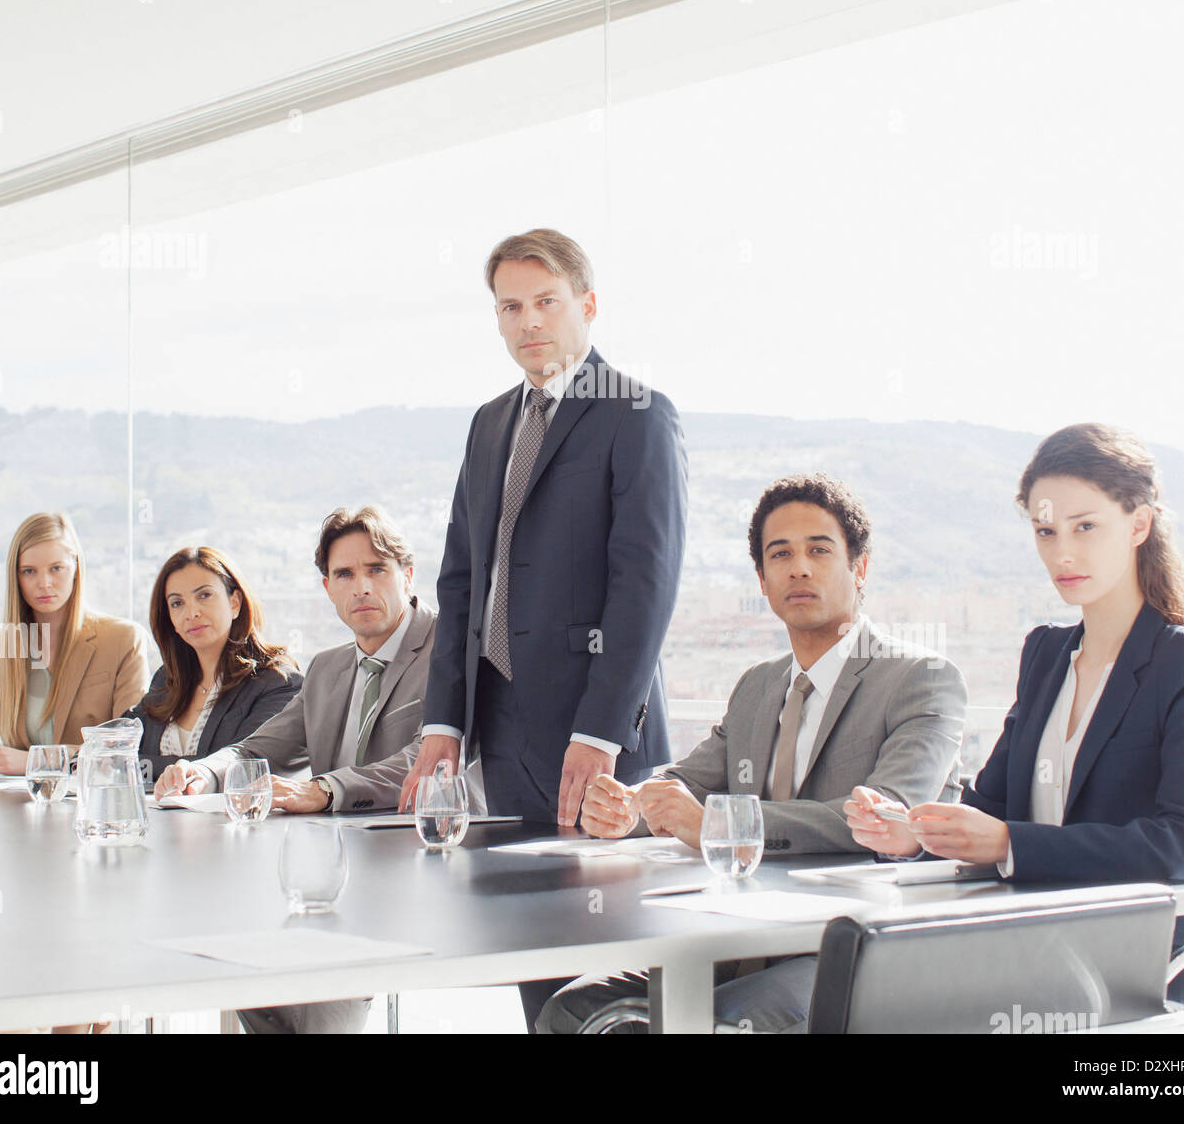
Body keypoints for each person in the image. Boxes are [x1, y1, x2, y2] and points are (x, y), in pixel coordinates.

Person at [536, 472, 967, 1033]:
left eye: (819, 550)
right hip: (741, 936)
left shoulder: (922, 678)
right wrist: (630, 805)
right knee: (573, 1009)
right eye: (780, 554)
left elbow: (885, 815)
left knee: (726, 1022)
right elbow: (689, 781)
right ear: (762, 581)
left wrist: (718, 825)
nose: (800, 568)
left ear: (860, 569)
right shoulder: (758, 687)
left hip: (854, 948)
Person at [846, 423, 1184, 1034]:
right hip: (1034, 954)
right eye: (1045, 532)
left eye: (1085, 527)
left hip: (1145, 974)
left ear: (1138, 525)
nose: (1062, 554)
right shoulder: (1046, 654)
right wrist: (912, 833)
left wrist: (1010, 844)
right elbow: (991, 807)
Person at [398, 229, 689, 1029]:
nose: (530, 322)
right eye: (510, 307)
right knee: (530, 953)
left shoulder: (638, 415)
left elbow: (646, 587)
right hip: (503, 724)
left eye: (546, 302)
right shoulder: (490, 423)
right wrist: (444, 720)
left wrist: (601, 730)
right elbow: (462, 582)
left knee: (610, 960)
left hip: (595, 736)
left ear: (586, 306)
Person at [155, 506, 440, 1035]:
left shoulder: (449, 652)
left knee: (312, 990)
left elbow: (430, 763)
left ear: (408, 574)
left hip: (413, 873)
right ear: (327, 588)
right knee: (235, 951)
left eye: (376, 569)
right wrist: (204, 773)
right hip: (327, 876)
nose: (361, 588)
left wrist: (324, 790)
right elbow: (259, 748)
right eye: (344, 575)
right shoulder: (330, 666)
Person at [0, 512, 148, 775]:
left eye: (56, 568)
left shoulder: (123, 639)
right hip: (15, 809)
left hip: (91, 807)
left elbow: (128, 748)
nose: (44, 583)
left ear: (76, 568)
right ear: (15, 577)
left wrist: (37, 761)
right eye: (29, 571)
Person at [120, 546, 301, 785]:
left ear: (235, 602)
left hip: (234, 821)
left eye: (204, 595)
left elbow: (243, 767)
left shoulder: (277, 682)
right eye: (177, 603)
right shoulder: (167, 679)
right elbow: (115, 752)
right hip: (161, 821)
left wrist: (147, 765)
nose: (191, 612)